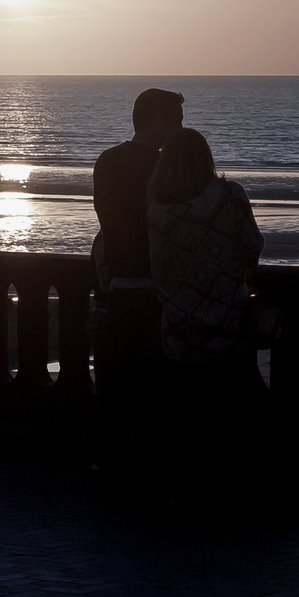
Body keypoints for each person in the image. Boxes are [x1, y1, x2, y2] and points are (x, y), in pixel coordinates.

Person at [145, 128, 266, 486]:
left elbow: (159, 268)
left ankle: (187, 484)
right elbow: (252, 247)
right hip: (227, 322)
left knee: (185, 411)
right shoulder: (229, 196)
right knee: (232, 409)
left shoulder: (155, 208)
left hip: (177, 327)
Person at [91, 88, 184, 459]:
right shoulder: (169, 168)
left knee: (118, 386)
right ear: (159, 120)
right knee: (158, 388)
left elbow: (108, 221)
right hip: (159, 292)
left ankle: (115, 463)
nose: (179, 127)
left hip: (118, 289)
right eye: (175, 119)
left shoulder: (107, 161)